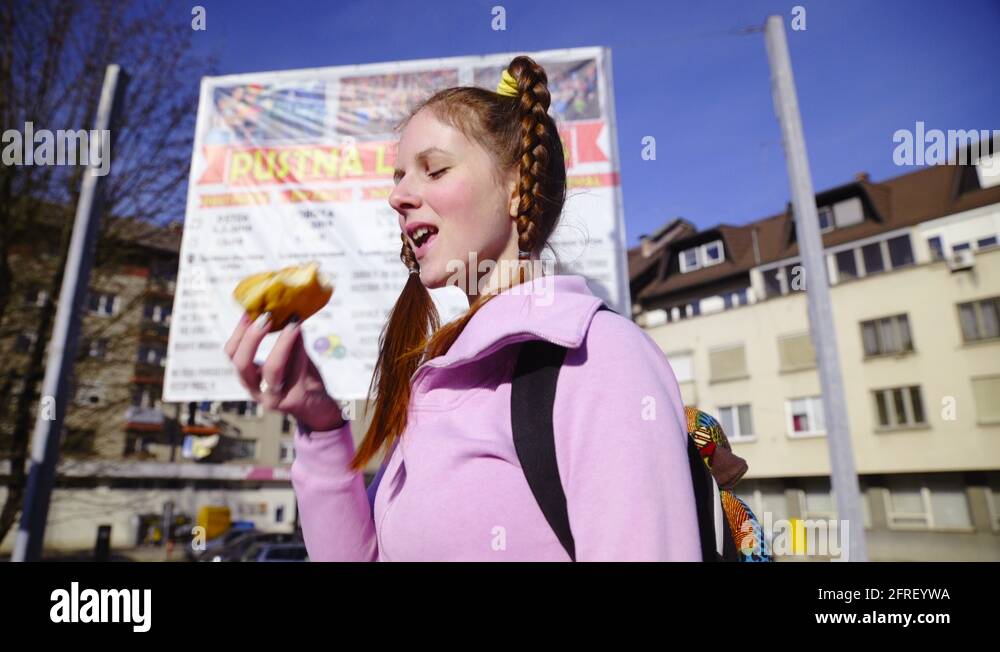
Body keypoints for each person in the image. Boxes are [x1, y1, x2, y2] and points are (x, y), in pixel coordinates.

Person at [224, 55, 701, 561]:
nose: (397, 196)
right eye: (399, 177)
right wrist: (319, 424)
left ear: (517, 185)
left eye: (434, 170)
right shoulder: (438, 377)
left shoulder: (598, 358)